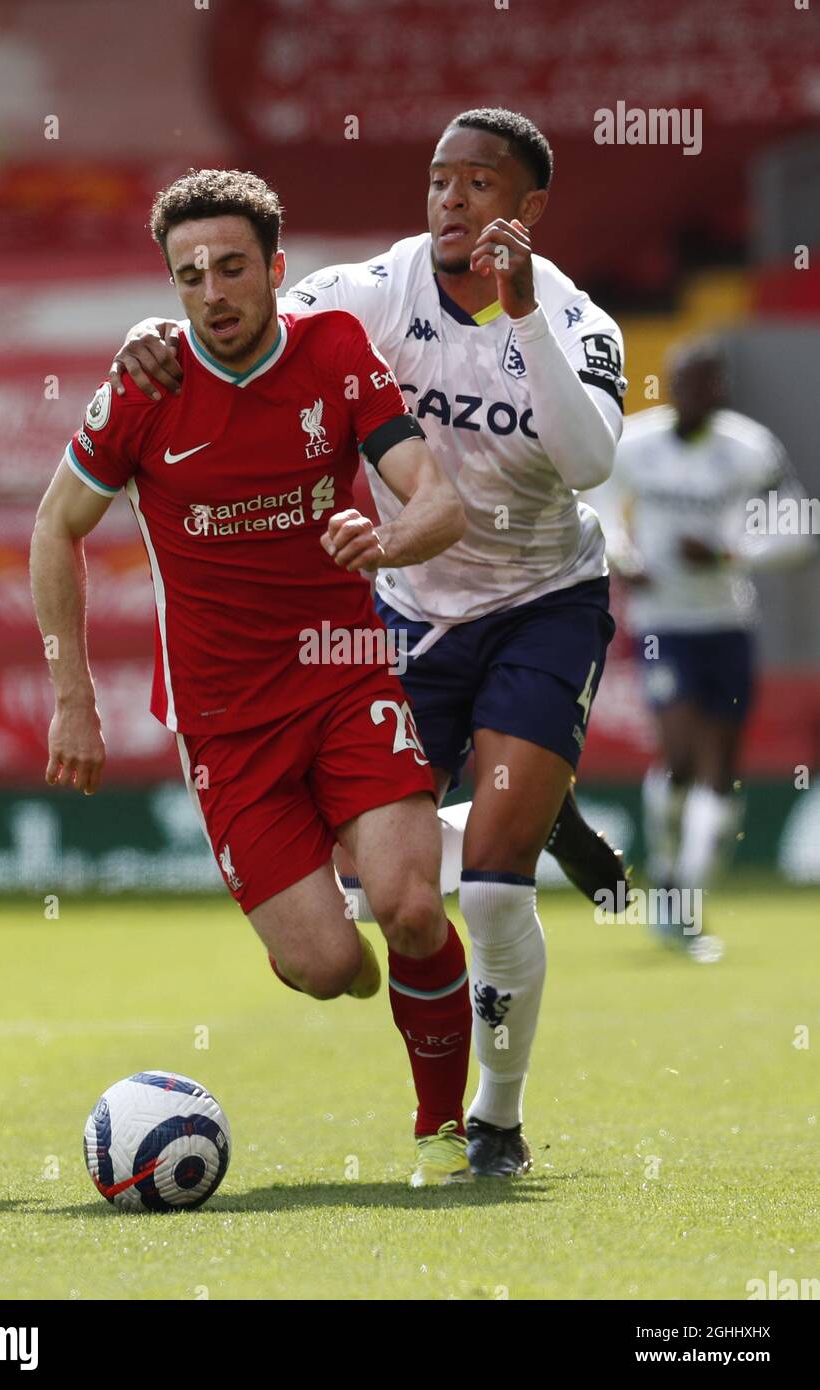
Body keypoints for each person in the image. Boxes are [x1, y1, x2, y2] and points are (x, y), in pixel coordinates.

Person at [110, 110, 628, 1179]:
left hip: (543, 600)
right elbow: (236, 324)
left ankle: (496, 1118)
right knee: (373, 889)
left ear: (528, 210)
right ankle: (523, 792)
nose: (452, 200)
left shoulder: (579, 321)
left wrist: (524, 314)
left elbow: (588, 465)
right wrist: (146, 340)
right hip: (403, 612)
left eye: (481, 184)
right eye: (440, 179)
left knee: (483, 889)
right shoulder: (368, 291)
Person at [30, 168, 474, 1187]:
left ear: (278, 269)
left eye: (233, 267)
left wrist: (391, 539)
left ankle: (448, 1128)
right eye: (190, 275)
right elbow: (57, 528)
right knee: (327, 970)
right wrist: (73, 694)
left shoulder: (333, 352)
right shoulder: (140, 388)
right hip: (225, 720)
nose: (213, 292)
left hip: (345, 675)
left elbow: (438, 501)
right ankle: (377, 952)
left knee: (412, 907)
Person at [596, 338, 815, 956]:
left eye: (711, 382)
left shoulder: (749, 449)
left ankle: (680, 896)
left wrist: (730, 552)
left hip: (728, 622)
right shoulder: (635, 443)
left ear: (721, 387)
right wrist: (622, 555)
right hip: (663, 622)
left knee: (721, 772)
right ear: (670, 384)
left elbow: (799, 524)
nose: (701, 393)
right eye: (689, 382)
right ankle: (670, 876)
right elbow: (598, 506)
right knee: (681, 756)